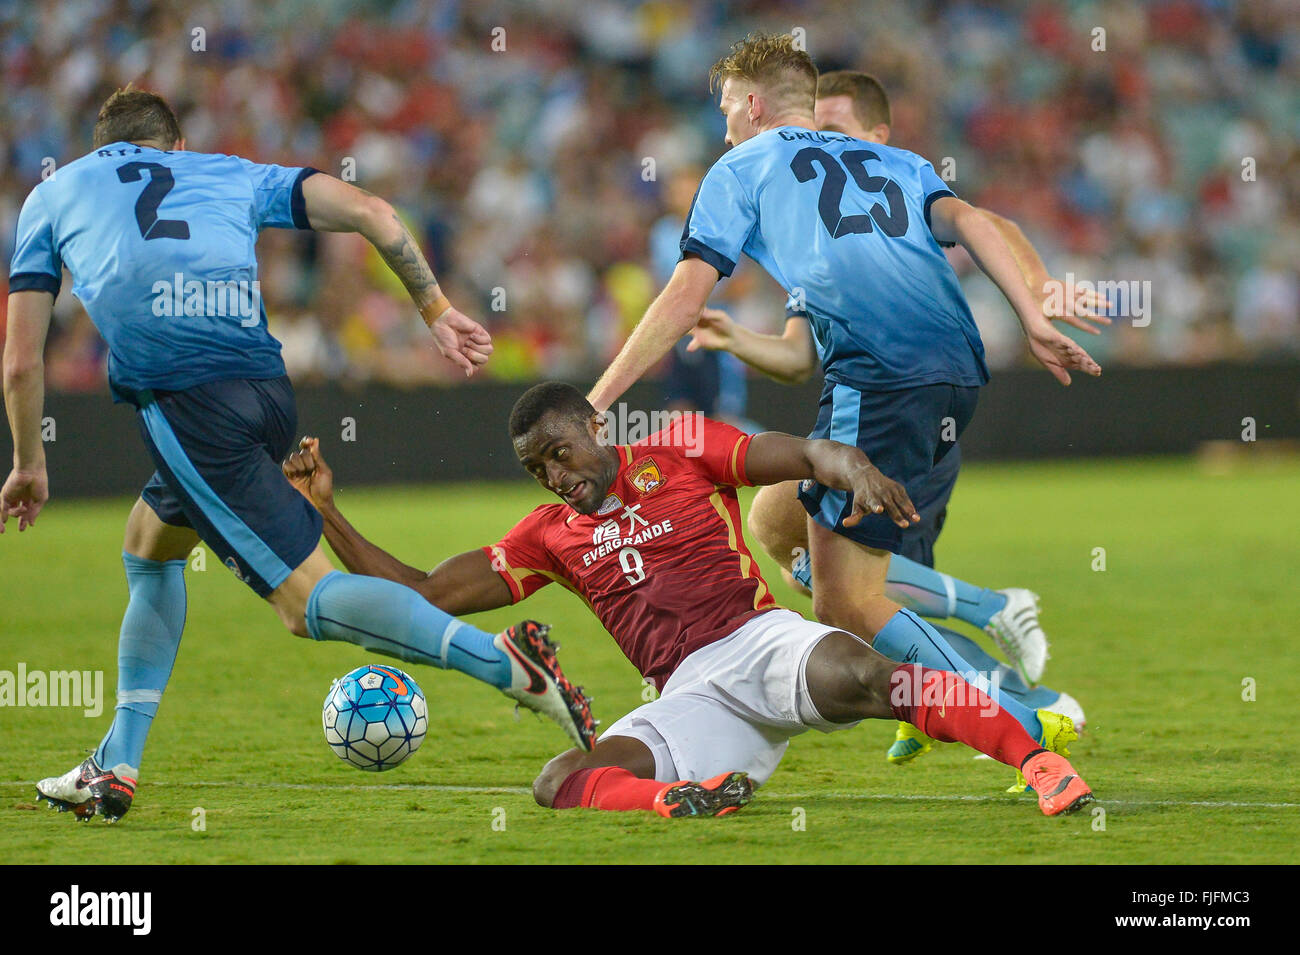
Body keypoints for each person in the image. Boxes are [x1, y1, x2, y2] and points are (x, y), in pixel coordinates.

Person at [3, 86, 594, 823]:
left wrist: (30, 462)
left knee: (304, 604)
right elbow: (376, 214)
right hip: (268, 391)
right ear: (176, 147)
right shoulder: (228, 170)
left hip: (190, 405)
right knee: (149, 546)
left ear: (100, 149)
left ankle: (508, 662)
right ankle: (115, 765)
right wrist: (436, 310)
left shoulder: (54, 193)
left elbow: (22, 363)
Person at [585, 33, 1103, 789]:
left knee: (847, 601)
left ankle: (1022, 715)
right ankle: (997, 673)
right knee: (780, 525)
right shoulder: (891, 162)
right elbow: (981, 224)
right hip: (955, 366)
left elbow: (684, 293)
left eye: (728, 105)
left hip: (878, 373)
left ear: (755, 104)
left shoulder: (743, 166)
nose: (723, 122)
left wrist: (597, 399)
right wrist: (1032, 312)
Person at [282, 382, 1093, 818]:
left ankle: (1040, 763)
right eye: (540, 469)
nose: (557, 475)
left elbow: (793, 452)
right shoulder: (545, 534)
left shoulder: (674, 450)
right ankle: (681, 798)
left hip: (758, 639)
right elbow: (424, 591)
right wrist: (325, 510)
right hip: (688, 693)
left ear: (597, 425)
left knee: (868, 674)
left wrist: (843, 466)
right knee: (559, 780)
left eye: (561, 452)